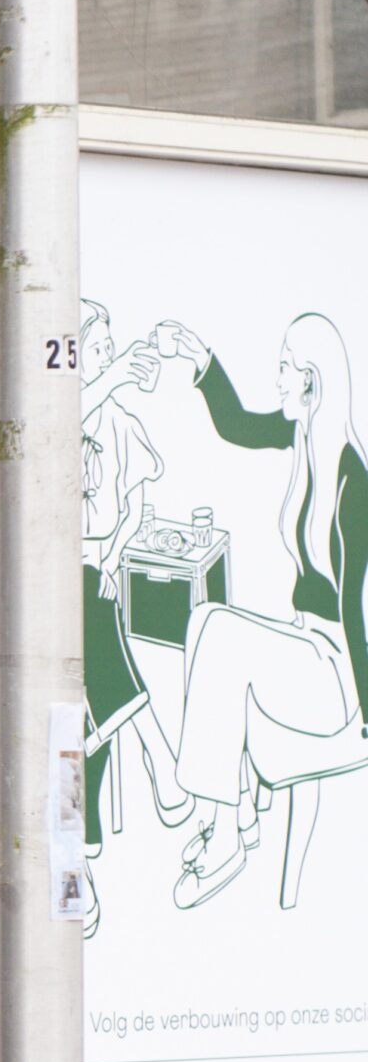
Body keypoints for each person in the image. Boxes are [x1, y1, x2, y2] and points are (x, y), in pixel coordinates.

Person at [152, 313, 368, 908]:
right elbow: (238, 425)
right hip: (306, 646)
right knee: (204, 620)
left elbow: (353, 606)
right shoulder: (304, 440)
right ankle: (229, 809)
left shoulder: (353, 479)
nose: (276, 380)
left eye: (284, 369)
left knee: (220, 633)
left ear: (312, 384)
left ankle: (227, 833)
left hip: (337, 674)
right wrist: (199, 357)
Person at [77, 299, 186, 935]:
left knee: (74, 722)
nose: (111, 357)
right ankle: (161, 762)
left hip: (96, 584)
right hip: (58, 594)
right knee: (88, 627)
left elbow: (138, 504)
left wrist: (115, 555)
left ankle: (77, 871)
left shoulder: (119, 424)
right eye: (99, 350)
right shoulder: (56, 419)